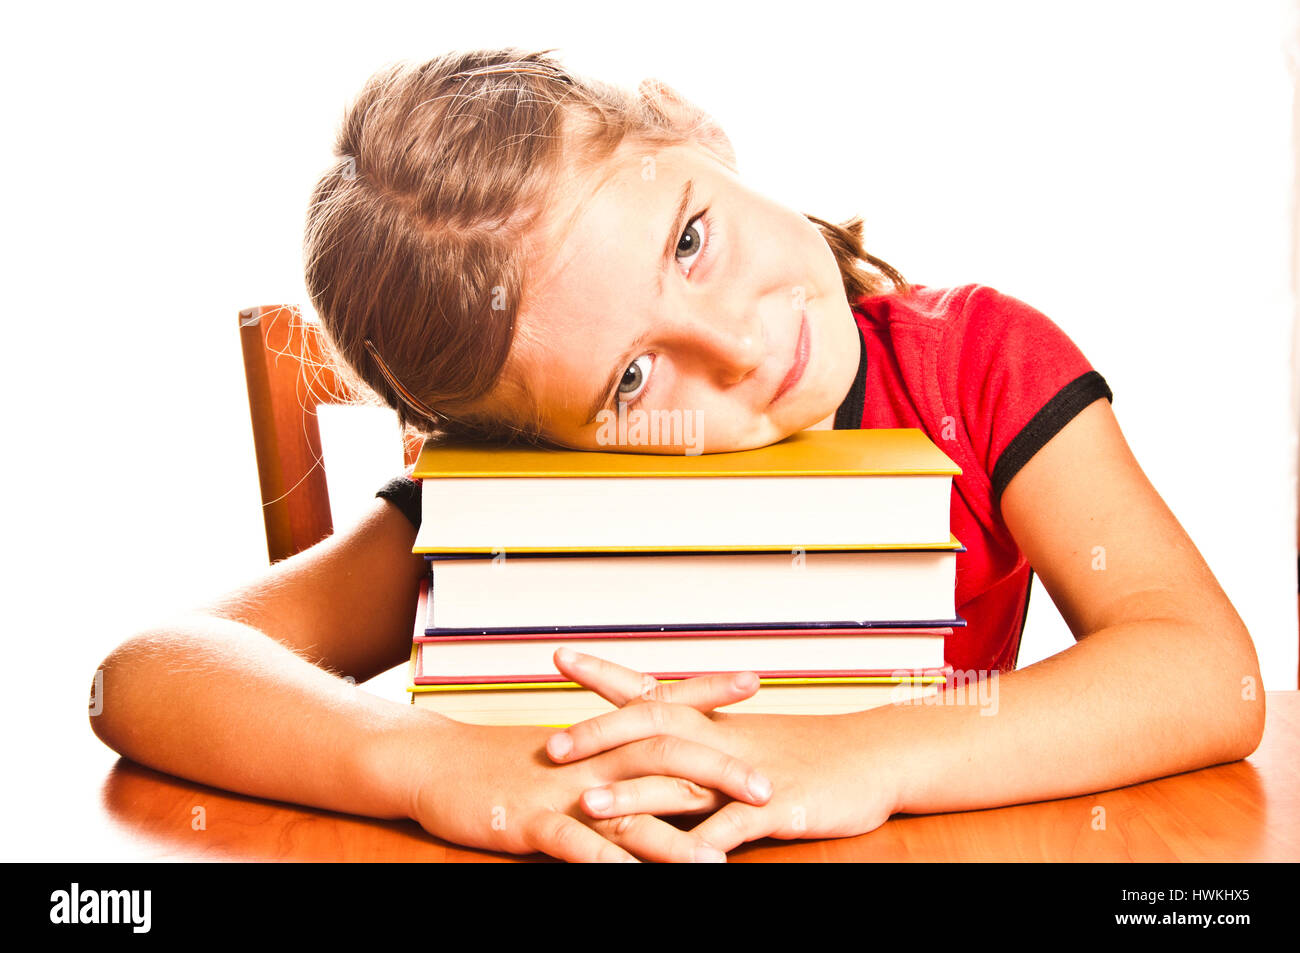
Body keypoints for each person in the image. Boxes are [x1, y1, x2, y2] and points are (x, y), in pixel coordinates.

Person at [90, 47, 1265, 863]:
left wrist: (861, 754)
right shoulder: (527, 502)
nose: (743, 347)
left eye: (689, 240)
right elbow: (145, 671)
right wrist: (424, 761)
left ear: (692, 130)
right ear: (531, 445)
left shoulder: (978, 368)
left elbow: (1205, 669)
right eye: (631, 380)